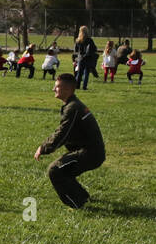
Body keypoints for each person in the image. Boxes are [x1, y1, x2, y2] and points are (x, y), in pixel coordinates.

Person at [33, 73, 105, 209]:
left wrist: (43, 148)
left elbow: (62, 134)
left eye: (57, 87)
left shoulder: (73, 108)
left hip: (91, 154)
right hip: (89, 151)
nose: (53, 89)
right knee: (63, 169)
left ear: (67, 89)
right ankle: (83, 198)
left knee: (55, 170)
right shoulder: (73, 105)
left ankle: (77, 204)